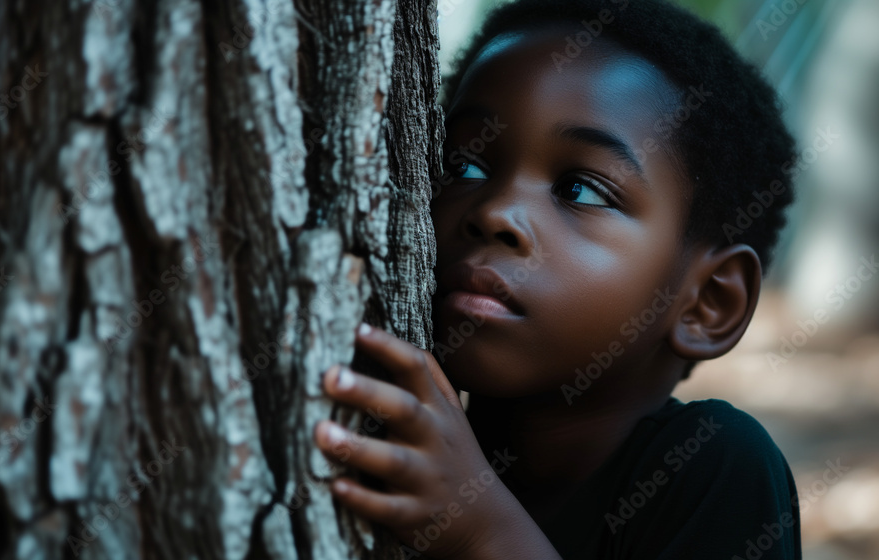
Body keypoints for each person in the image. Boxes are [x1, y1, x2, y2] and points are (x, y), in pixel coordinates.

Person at [313, 0, 802, 558]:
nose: (495, 212)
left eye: (581, 190)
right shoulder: (397, 438)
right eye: (465, 166)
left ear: (707, 304)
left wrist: (482, 531)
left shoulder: (713, 466)